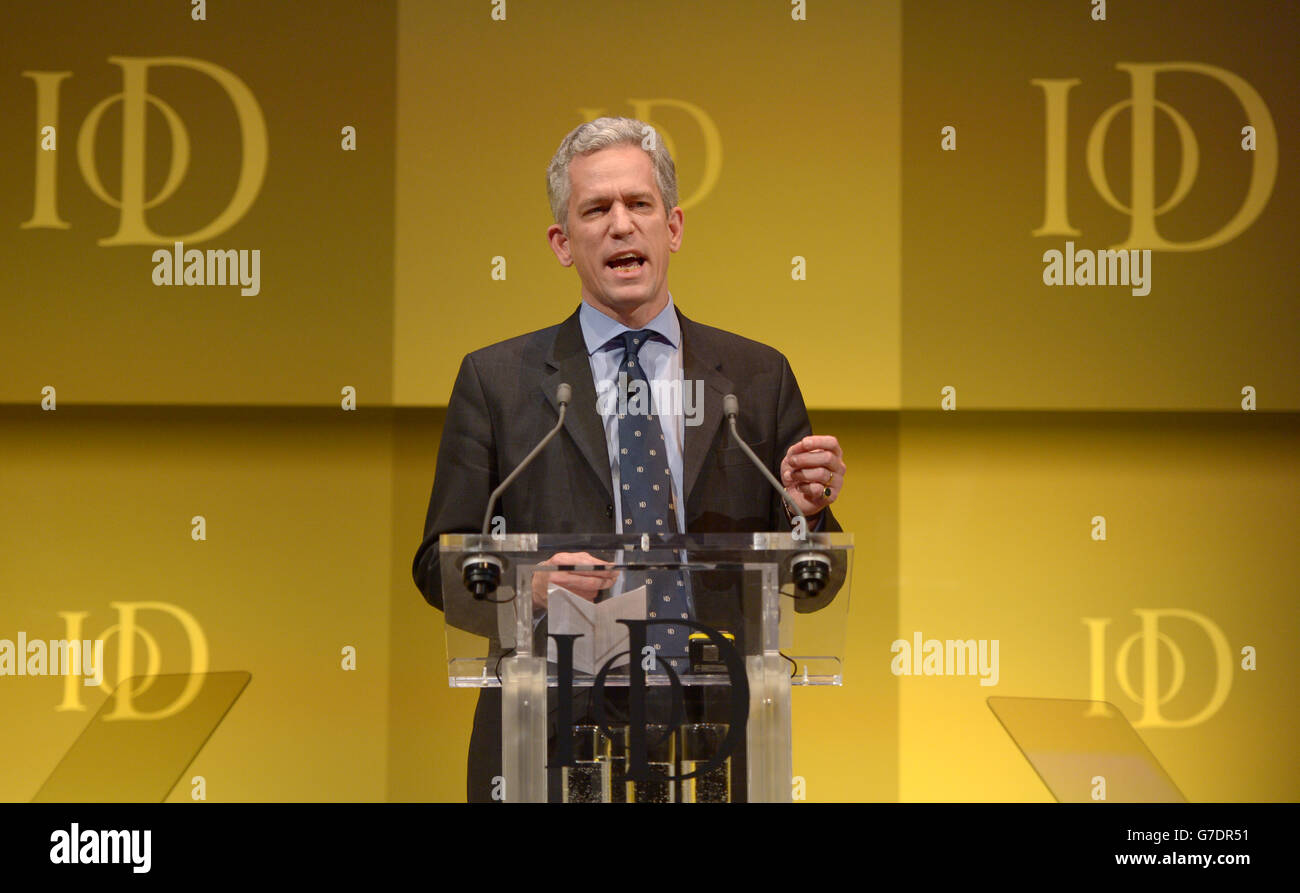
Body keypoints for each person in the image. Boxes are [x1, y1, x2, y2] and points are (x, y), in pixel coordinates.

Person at [412, 116, 847, 802]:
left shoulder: (758, 378)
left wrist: (805, 515)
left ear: (672, 227)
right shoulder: (498, 382)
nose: (621, 225)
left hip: (709, 740)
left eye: (639, 205)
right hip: (548, 738)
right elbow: (439, 566)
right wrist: (521, 587)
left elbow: (813, 583)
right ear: (562, 242)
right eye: (596, 209)